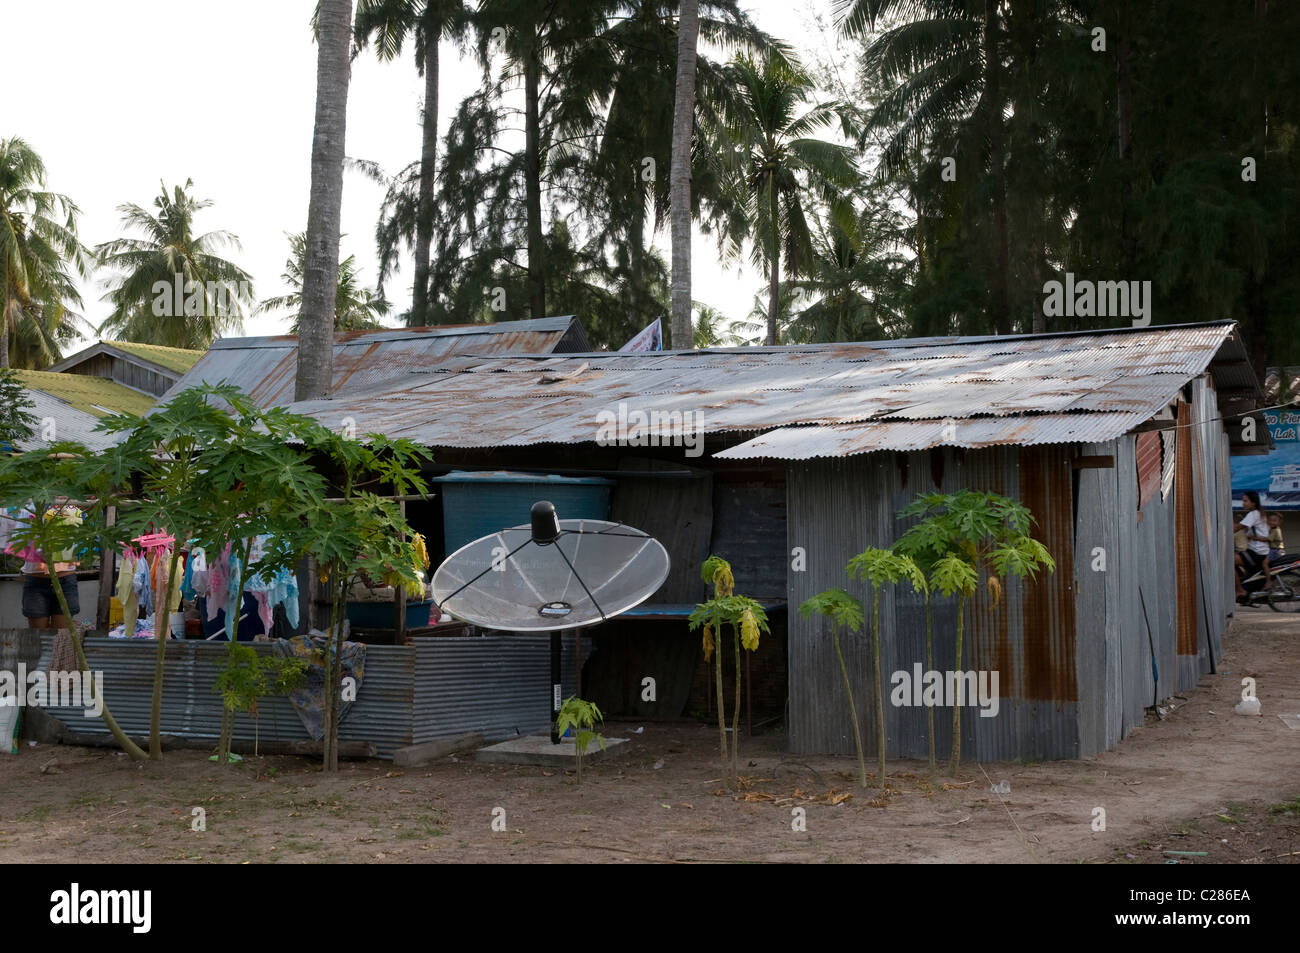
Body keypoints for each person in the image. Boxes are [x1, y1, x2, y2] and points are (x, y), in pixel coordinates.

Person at [20, 505, 83, 629]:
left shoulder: (71, 506)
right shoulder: (28, 507)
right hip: (36, 580)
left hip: (65, 579)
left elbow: (79, 539)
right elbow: (23, 543)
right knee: (38, 636)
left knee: (62, 635)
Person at [1234, 491, 1270, 599]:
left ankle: (1240, 590)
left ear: (1253, 503)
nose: (1243, 503)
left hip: (1257, 552)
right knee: (1236, 555)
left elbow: (1236, 528)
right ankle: (1245, 582)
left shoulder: (1253, 514)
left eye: (1245, 501)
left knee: (1229, 561)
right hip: (1259, 550)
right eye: (1242, 501)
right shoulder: (1258, 513)